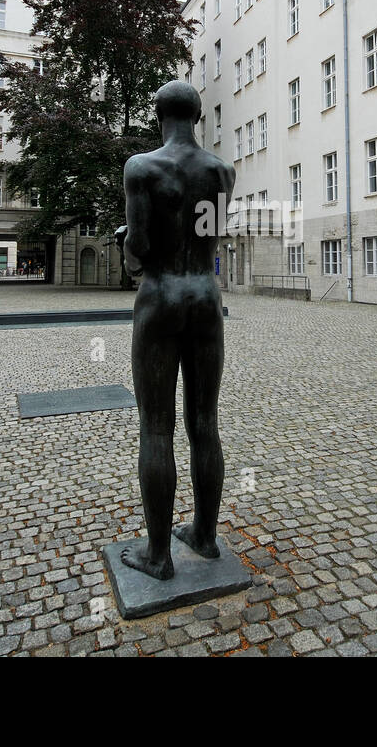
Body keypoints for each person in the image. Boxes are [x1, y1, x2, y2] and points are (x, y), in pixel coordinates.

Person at [119, 81, 235, 581]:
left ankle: (158, 554)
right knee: (204, 422)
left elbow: (141, 251)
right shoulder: (221, 171)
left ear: (158, 115)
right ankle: (205, 536)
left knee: (157, 426)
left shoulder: (142, 168)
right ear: (199, 115)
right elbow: (211, 235)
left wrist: (126, 242)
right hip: (206, 298)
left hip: (162, 296)